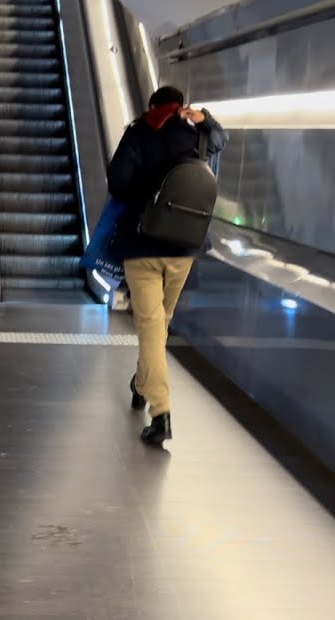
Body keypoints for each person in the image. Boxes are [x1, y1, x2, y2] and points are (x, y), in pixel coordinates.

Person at [107, 85, 226, 446]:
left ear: (152, 106)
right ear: (181, 107)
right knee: (160, 326)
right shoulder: (198, 137)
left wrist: (145, 192)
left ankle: (161, 414)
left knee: (150, 329)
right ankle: (142, 384)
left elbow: (118, 183)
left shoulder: (139, 131)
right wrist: (205, 118)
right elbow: (221, 138)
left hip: (143, 245)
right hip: (184, 249)